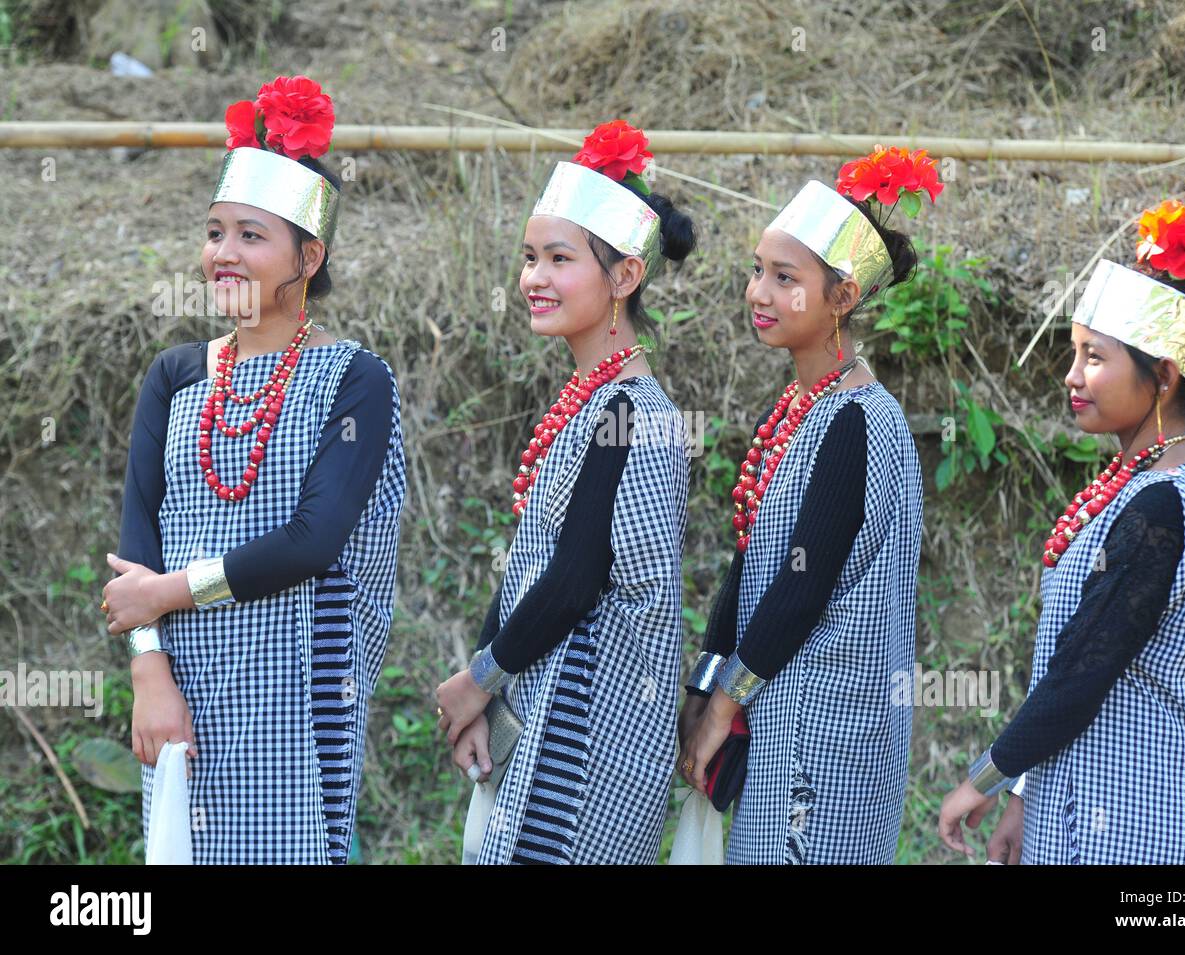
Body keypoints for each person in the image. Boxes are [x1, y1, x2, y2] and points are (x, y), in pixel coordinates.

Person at [101, 75, 405, 864]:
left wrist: (164, 593)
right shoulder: (176, 376)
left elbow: (313, 541)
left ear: (308, 256)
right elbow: (139, 543)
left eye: (250, 236)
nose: (223, 254)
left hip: (294, 689)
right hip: (182, 693)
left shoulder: (354, 380)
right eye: (214, 233)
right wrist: (149, 675)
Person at [938, 198, 1185, 864]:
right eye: (1074, 353)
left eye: (1095, 358)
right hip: (1087, 802)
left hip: (1134, 821)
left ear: (1162, 376)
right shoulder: (1144, 486)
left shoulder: (1164, 505)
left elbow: (1086, 666)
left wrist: (984, 779)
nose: (1072, 376)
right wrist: (1024, 794)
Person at [435, 120, 696, 864]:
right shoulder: (590, 400)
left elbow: (578, 577)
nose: (534, 278)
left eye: (558, 258)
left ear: (624, 278)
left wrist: (478, 677)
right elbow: (533, 563)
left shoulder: (632, 411)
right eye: (527, 258)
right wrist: (486, 683)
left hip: (591, 731)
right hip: (551, 713)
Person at [679, 147, 940, 863]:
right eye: (757, 270)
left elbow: (801, 585)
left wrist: (723, 704)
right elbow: (750, 562)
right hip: (787, 713)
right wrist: (705, 684)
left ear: (843, 297)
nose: (759, 292)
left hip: (830, 731)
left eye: (785, 278)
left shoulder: (857, 417)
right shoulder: (800, 406)